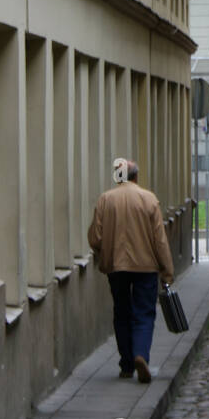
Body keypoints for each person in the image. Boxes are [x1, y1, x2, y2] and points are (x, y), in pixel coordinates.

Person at [87, 159, 174, 382]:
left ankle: (126, 364)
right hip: (146, 267)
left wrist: (104, 250)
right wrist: (167, 271)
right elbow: (160, 241)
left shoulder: (106, 200)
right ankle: (140, 355)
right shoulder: (149, 199)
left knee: (122, 312)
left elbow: (95, 237)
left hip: (116, 266)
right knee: (144, 312)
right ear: (136, 177)